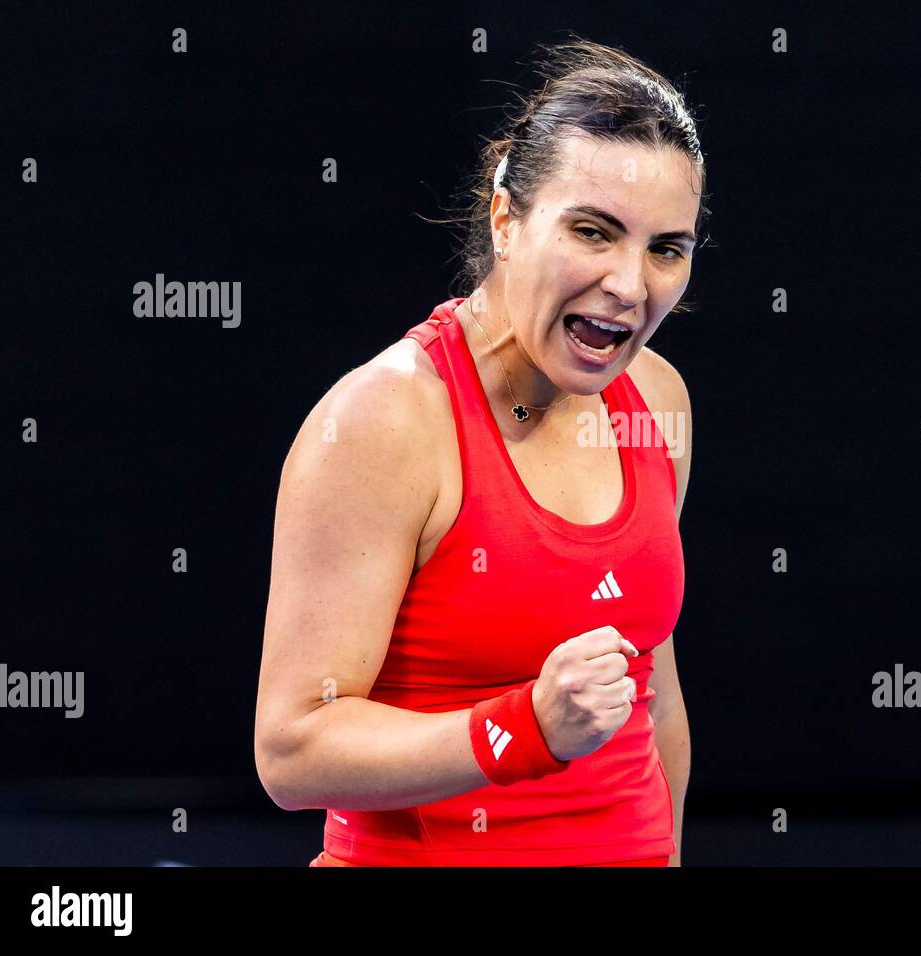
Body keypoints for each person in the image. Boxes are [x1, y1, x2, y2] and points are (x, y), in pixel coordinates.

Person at [253, 38, 708, 866]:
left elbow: (650, 697)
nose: (631, 285)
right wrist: (525, 729)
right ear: (506, 217)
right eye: (593, 231)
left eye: (665, 248)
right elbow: (290, 752)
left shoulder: (658, 400)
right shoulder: (383, 422)